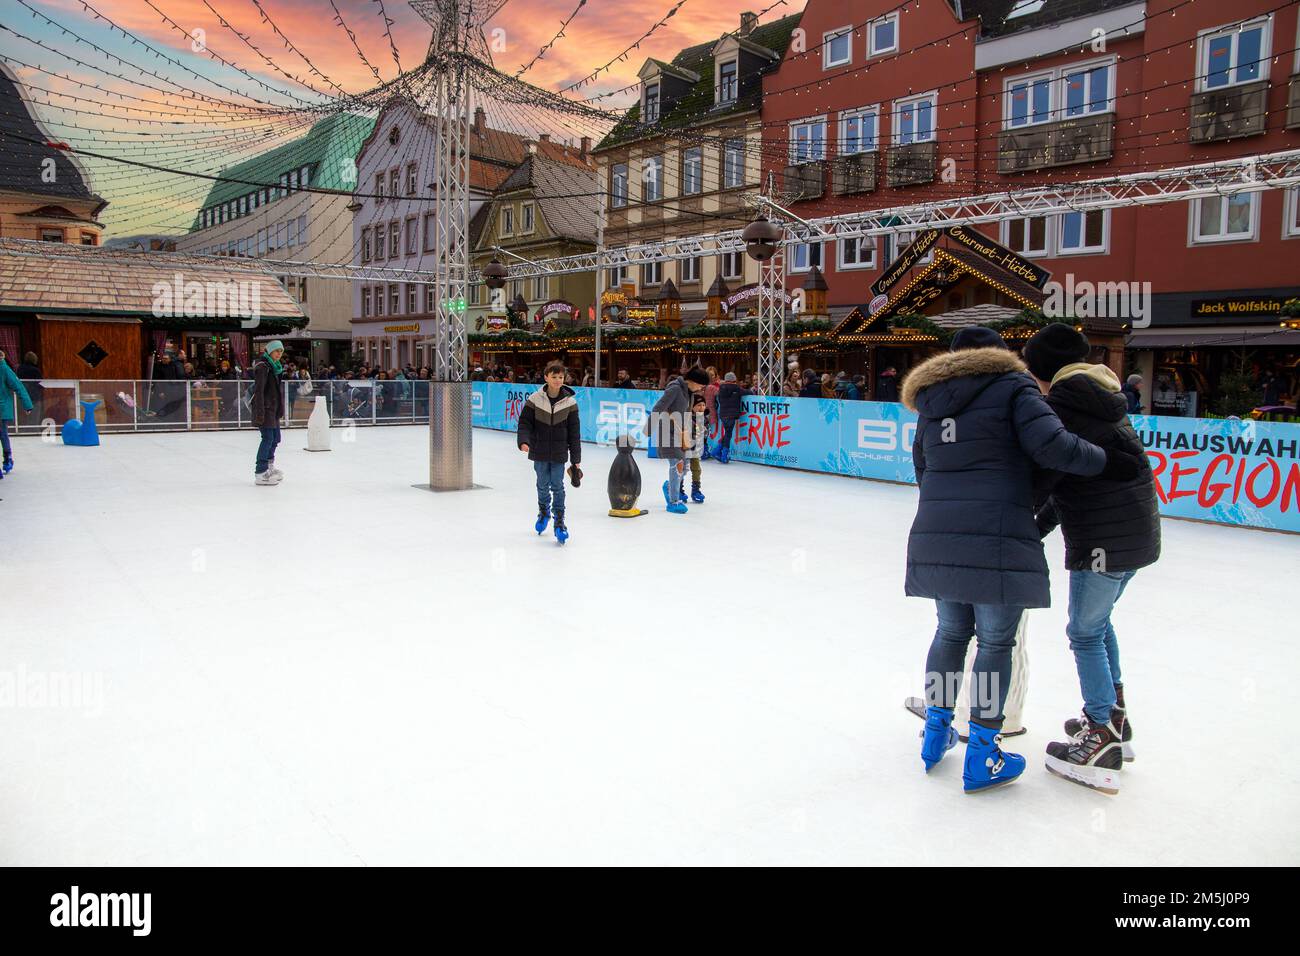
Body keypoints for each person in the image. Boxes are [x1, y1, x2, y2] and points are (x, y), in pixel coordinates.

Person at [903, 326, 1140, 793]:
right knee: (995, 644)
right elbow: (1053, 446)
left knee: (950, 632)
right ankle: (983, 754)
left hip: (938, 533)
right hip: (997, 533)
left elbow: (923, 469)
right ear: (998, 353)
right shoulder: (1014, 385)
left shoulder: (930, 402)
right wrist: (1110, 462)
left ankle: (935, 735)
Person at [1022, 325, 1161, 794]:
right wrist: (1038, 526)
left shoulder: (1063, 406)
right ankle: (1113, 718)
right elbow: (1073, 481)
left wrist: (1024, 524)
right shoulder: (1100, 394)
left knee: (1083, 631)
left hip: (1104, 539)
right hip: (1134, 533)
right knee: (1098, 626)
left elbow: (1053, 474)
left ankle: (1100, 734)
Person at [517, 360, 581, 543]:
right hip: (539, 450)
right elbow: (525, 423)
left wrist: (576, 458)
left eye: (561, 377)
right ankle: (544, 511)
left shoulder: (570, 403)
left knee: (558, 486)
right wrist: (523, 441)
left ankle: (559, 521)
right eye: (554, 377)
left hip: (560, 453)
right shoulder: (535, 399)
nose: (558, 380)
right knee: (543, 484)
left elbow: (575, 433)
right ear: (546, 377)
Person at [650, 366, 709, 513]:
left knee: (686, 466)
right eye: (701, 384)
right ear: (693, 381)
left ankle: (670, 487)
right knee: (678, 465)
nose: (702, 388)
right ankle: (673, 501)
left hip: (682, 432)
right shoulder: (675, 389)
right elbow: (658, 407)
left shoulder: (689, 392)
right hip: (668, 432)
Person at [251, 341, 287, 485]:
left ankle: (269, 467)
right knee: (267, 438)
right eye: (276, 351)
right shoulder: (263, 367)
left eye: (281, 351)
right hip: (265, 409)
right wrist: (260, 412)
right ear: (270, 351)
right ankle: (260, 472)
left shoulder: (276, 368)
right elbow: (259, 391)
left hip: (273, 409)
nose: (279, 354)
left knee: (275, 438)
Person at [0, 351, 34, 476]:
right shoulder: (5, 369)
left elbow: (18, 386)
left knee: (3, 433)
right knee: (3, 434)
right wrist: (27, 405)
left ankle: (7, 459)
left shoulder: (4, 369)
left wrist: (27, 404)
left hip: (2, 409)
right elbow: (18, 386)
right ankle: (7, 459)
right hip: (2, 408)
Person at [715, 371, 751, 464]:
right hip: (731, 416)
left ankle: (717, 451)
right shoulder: (736, 388)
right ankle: (722, 455)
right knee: (728, 434)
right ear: (733, 380)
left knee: (727, 433)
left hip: (723, 415)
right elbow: (748, 392)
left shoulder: (720, 389)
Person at [677, 392, 707, 504]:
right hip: (686, 449)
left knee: (697, 469)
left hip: (696, 450)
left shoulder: (704, 418)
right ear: (692, 407)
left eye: (703, 405)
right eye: (698, 405)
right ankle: (679, 489)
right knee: (683, 469)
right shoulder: (688, 419)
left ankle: (696, 490)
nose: (701, 407)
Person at [14, 351, 42, 425]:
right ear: (34, 359)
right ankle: (34, 429)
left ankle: (22, 428)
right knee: (34, 415)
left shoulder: (20, 368)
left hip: (22, 395)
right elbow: (40, 382)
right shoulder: (36, 370)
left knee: (22, 415)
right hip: (34, 396)